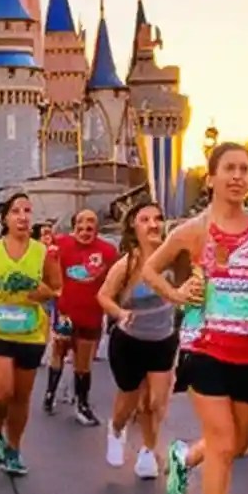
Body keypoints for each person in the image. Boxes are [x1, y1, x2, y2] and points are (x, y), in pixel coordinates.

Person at [141, 142, 248, 494]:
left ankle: (186, 454)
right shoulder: (193, 231)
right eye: (230, 169)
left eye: (245, 169)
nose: (238, 177)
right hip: (205, 346)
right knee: (222, 443)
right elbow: (151, 270)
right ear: (212, 176)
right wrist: (177, 294)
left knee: (237, 442)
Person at [97, 201, 187, 479]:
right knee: (129, 401)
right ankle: (115, 428)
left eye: (157, 219)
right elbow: (103, 296)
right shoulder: (128, 265)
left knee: (155, 402)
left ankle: (148, 452)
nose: (153, 224)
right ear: (134, 228)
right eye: (145, 219)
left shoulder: (174, 259)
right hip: (129, 342)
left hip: (162, 339)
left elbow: (189, 286)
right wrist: (120, 312)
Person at [0, 192, 62, 476]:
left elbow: (57, 288)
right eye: (16, 211)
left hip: (30, 332)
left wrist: (44, 293)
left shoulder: (44, 253)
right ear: (5, 218)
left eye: (27, 211)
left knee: (21, 397)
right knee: (4, 391)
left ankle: (13, 448)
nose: (23, 217)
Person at [44, 210, 117, 425]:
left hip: (91, 315)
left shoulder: (108, 251)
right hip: (65, 314)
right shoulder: (61, 245)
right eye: (81, 225)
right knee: (58, 351)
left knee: (83, 362)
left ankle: (82, 404)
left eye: (90, 225)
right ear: (74, 226)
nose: (85, 230)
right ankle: (50, 392)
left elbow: (115, 280)